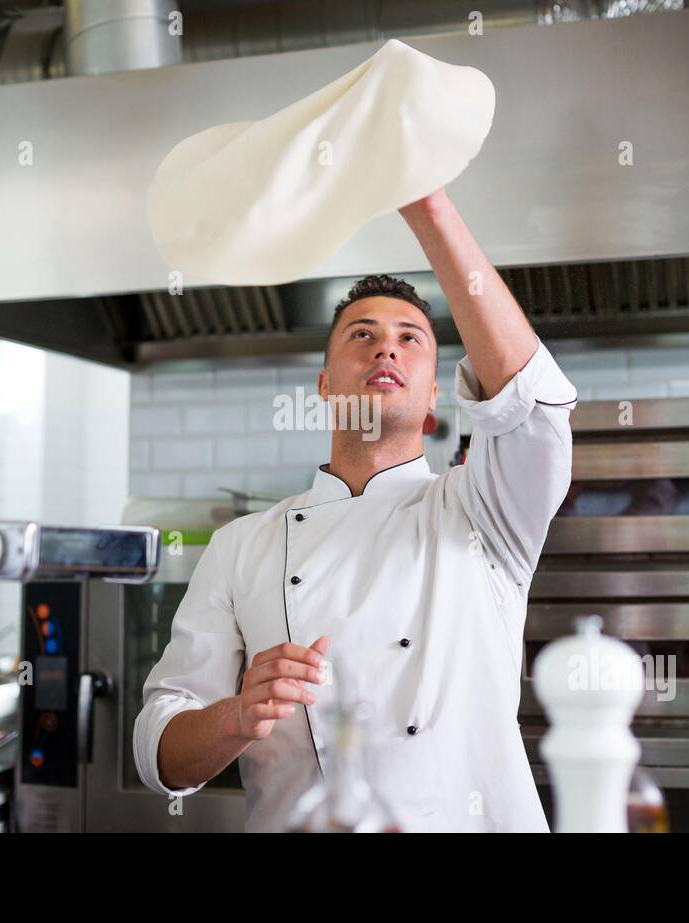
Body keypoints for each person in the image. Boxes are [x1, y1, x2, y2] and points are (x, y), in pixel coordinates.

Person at [132, 187, 577, 831]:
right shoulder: (244, 545)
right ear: (323, 384)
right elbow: (161, 754)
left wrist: (426, 204)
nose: (384, 350)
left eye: (409, 339)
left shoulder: (484, 511)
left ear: (435, 393)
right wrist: (236, 715)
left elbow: (531, 408)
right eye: (361, 335)